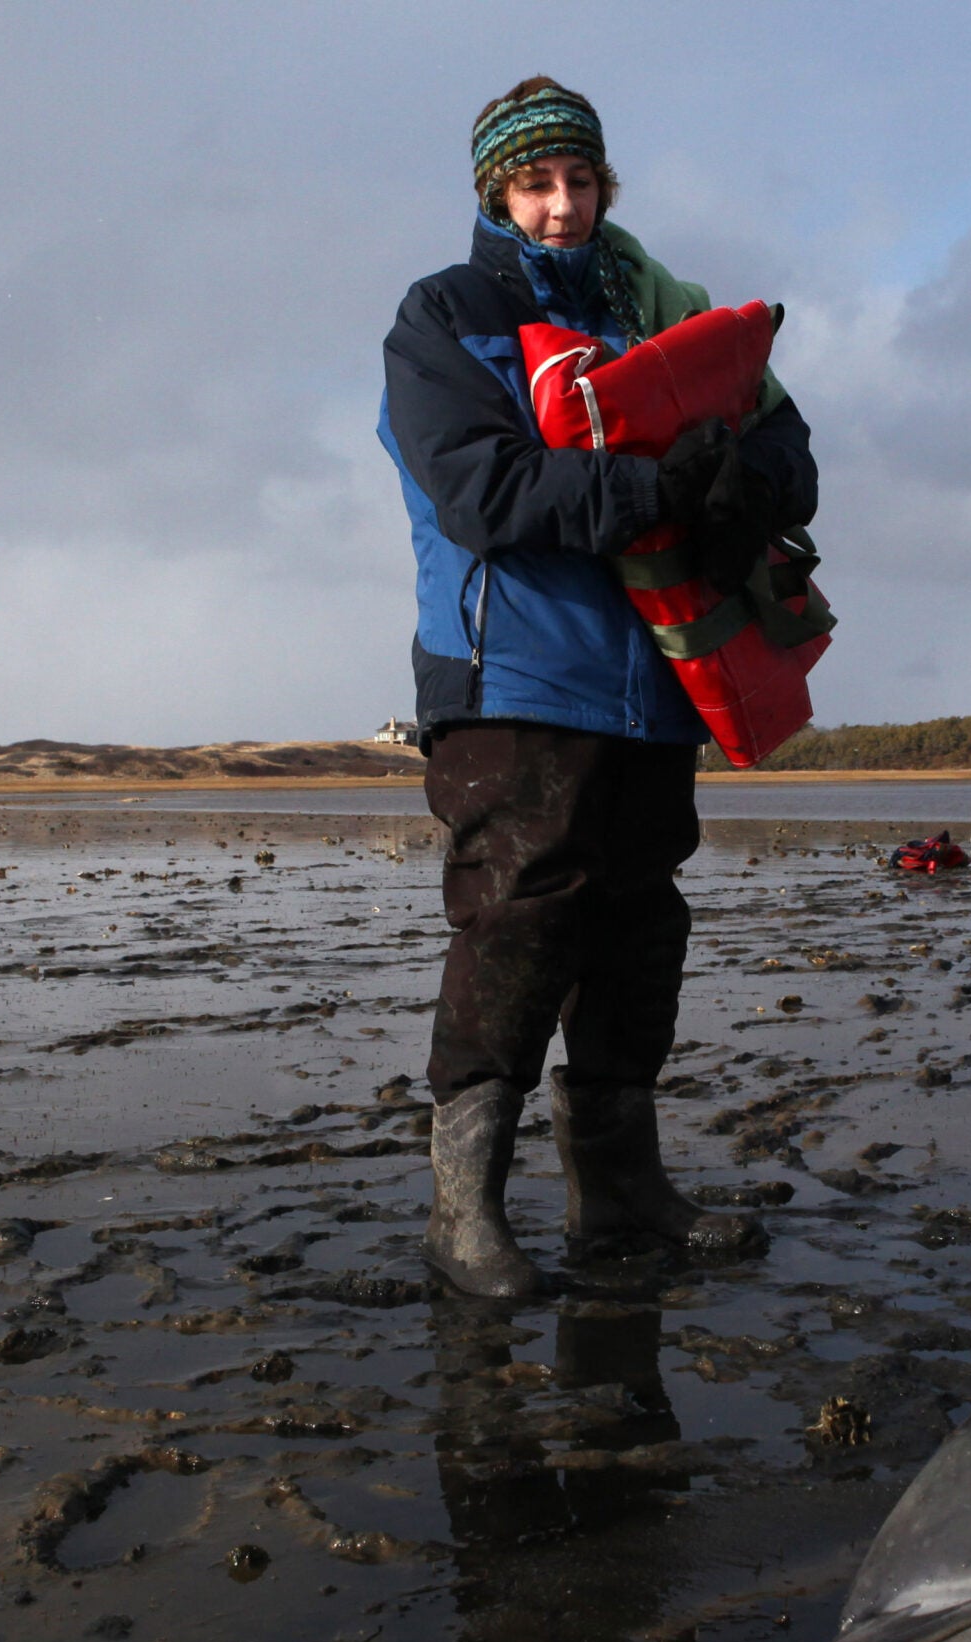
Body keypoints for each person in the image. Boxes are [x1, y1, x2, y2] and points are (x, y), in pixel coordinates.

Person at [379, 76, 818, 1298]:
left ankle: (621, 1198)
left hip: (659, 676)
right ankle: (461, 1214)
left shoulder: (661, 309)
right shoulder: (444, 317)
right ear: (497, 194)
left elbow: (788, 444)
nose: (563, 206)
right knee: (518, 918)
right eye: (536, 184)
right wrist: (660, 491)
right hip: (516, 670)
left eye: (580, 180)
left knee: (637, 924)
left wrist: (743, 481)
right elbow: (485, 492)